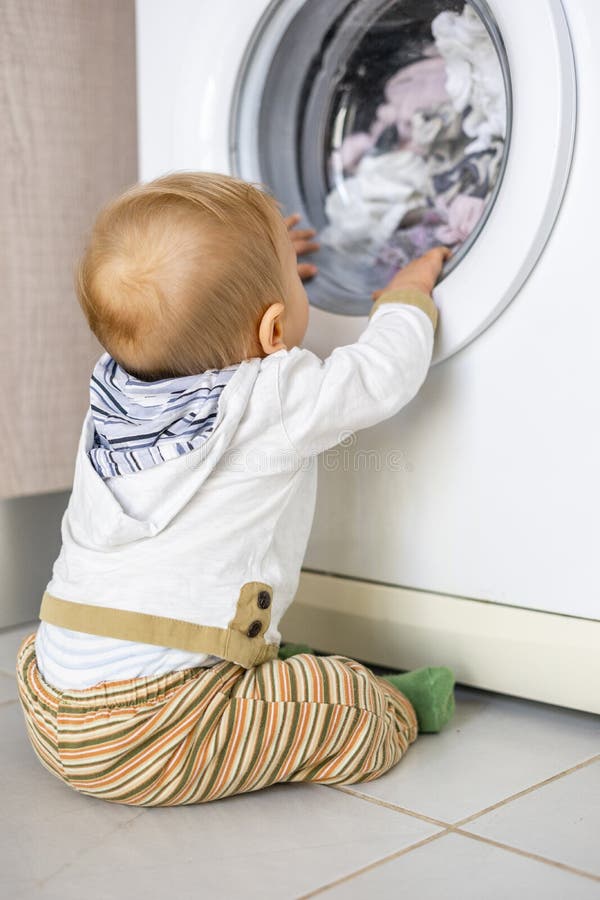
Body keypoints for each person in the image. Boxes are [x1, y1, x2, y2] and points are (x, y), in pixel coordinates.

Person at [16, 171, 455, 807]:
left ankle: (262, 685)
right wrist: (406, 297)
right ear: (273, 334)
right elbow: (381, 375)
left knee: (255, 673)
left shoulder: (114, 395)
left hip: (50, 695)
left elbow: (194, 313)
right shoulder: (268, 396)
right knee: (358, 711)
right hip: (154, 732)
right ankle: (385, 700)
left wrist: (253, 278)